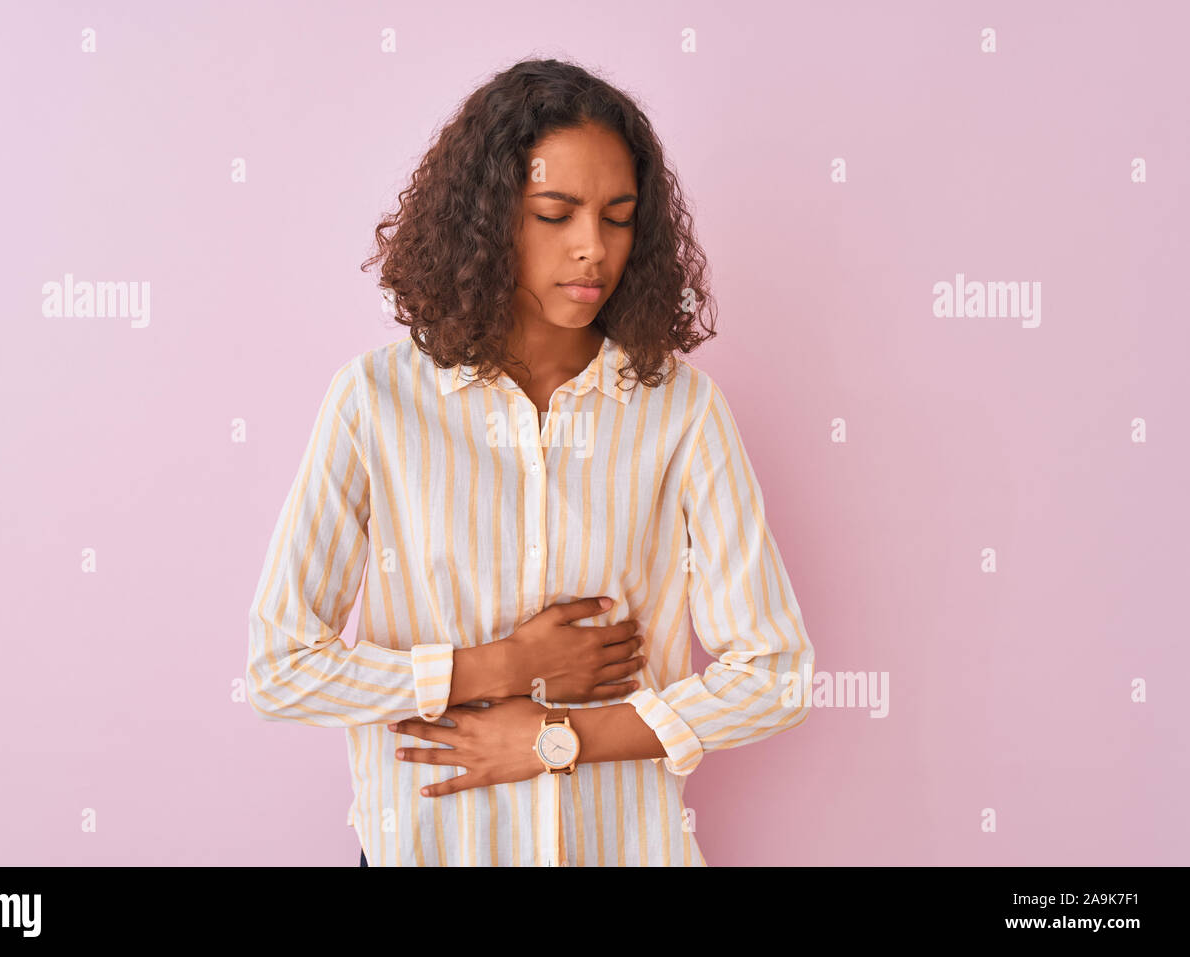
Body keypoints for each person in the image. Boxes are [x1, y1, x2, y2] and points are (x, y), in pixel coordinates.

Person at [246, 57, 814, 866]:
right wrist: (501, 666)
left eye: (618, 218)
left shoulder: (682, 409)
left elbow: (776, 673)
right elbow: (282, 665)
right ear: (488, 218)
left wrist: (559, 737)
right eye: (557, 212)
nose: (593, 249)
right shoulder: (374, 402)